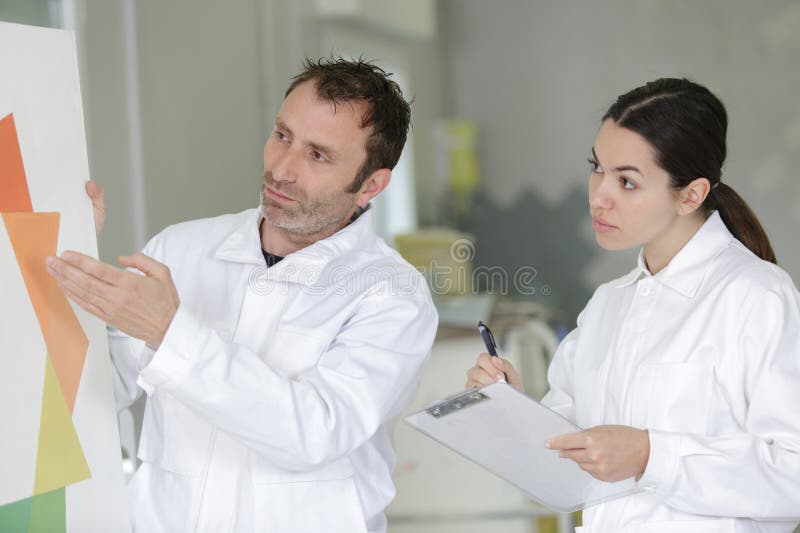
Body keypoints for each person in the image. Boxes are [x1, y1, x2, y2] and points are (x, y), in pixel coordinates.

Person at [46, 57, 438, 533]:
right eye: (282, 135)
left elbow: (315, 433)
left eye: (318, 155)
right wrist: (46, 260)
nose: (282, 168)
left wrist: (170, 333)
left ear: (370, 185)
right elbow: (93, 391)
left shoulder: (392, 294)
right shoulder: (181, 249)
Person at [466, 78, 800, 532]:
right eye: (597, 168)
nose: (599, 196)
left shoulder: (757, 297)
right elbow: (566, 472)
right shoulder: (608, 305)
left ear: (691, 195)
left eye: (626, 181)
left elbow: (791, 473)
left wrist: (650, 454)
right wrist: (510, 408)